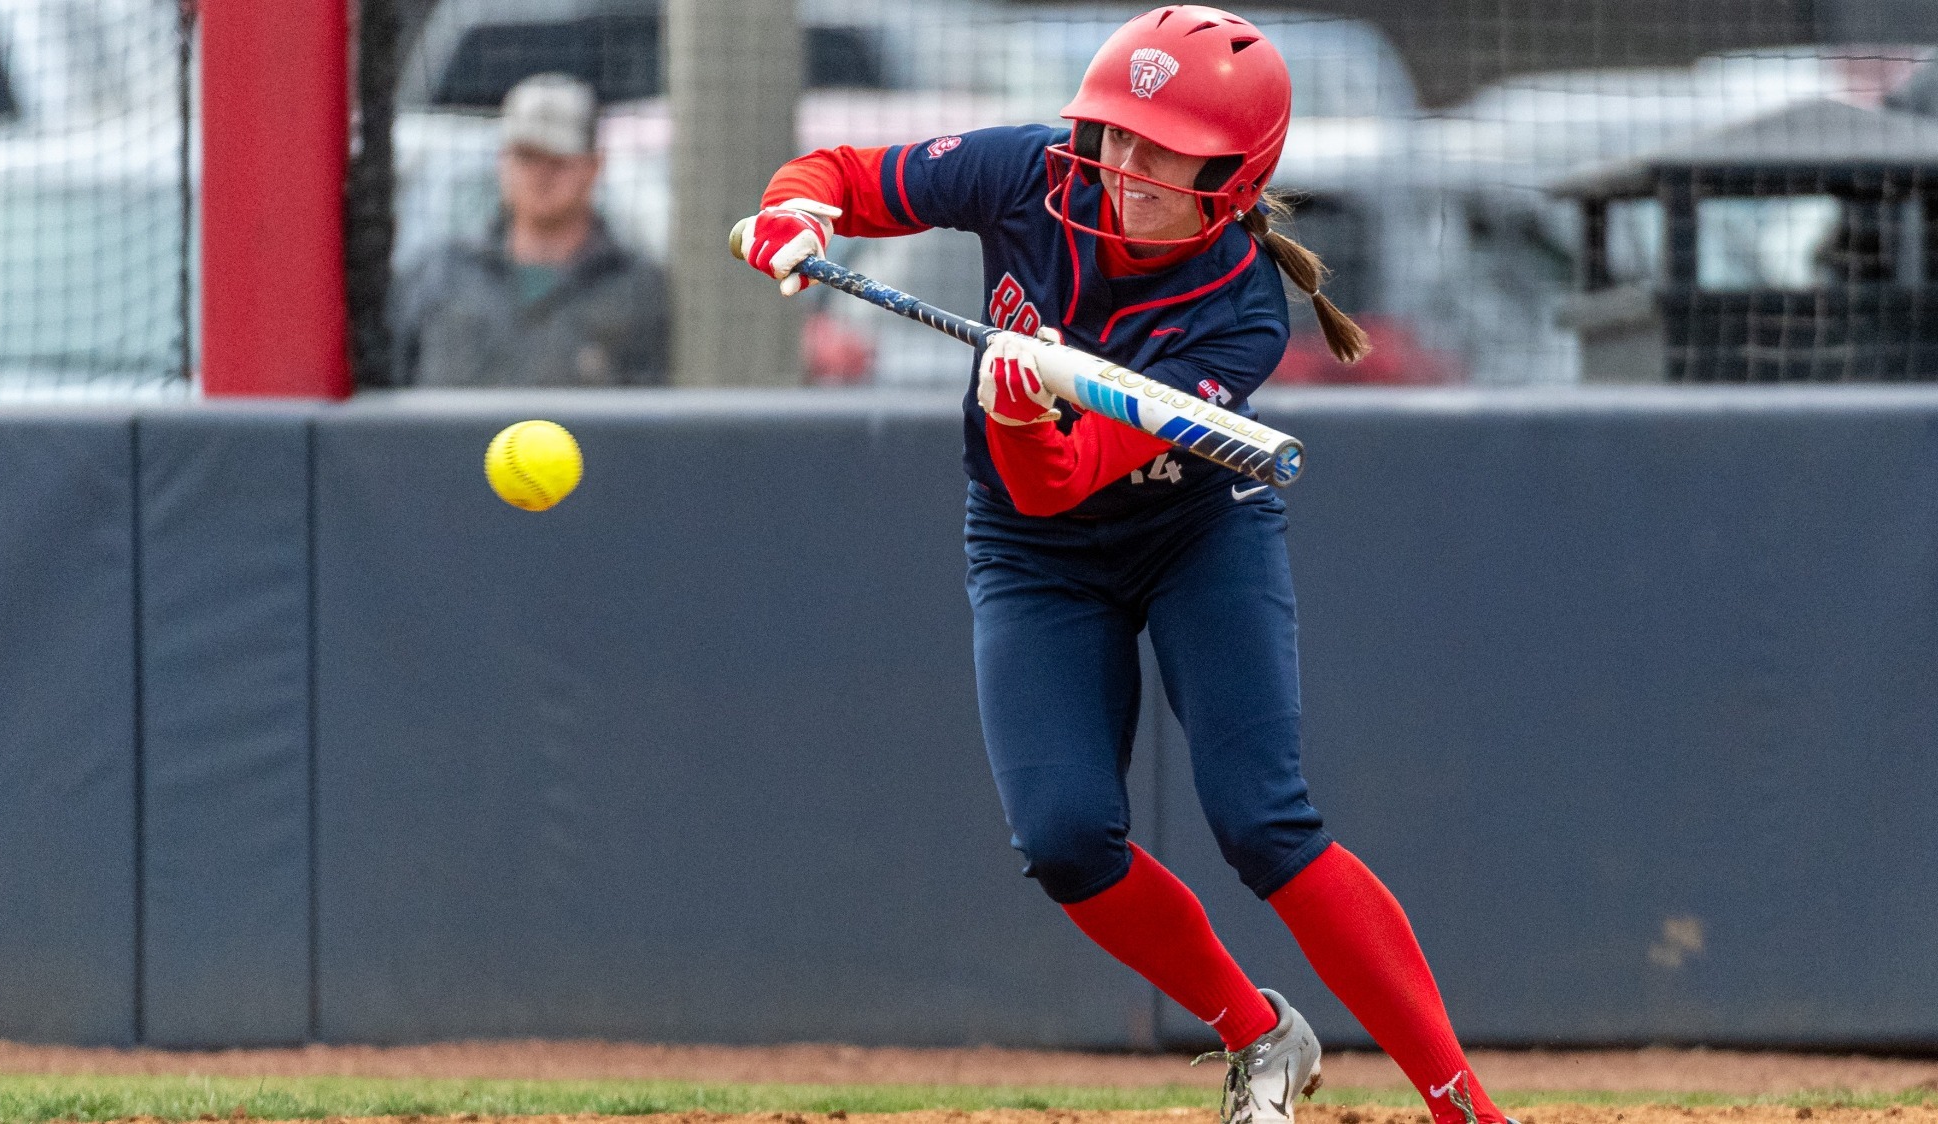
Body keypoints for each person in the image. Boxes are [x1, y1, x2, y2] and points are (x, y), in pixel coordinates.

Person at [733, 8, 1516, 1124]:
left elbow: (1072, 469)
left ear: (1231, 171)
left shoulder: (1238, 312)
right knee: (1061, 840)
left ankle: (1465, 1107)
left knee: (1263, 820)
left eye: (1159, 146)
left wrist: (1023, 412)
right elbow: (849, 174)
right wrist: (796, 208)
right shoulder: (1030, 170)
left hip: (1195, 532)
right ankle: (1258, 1031)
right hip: (1030, 546)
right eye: (1112, 133)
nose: (1121, 163)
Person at [389, 73, 667, 387]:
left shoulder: (640, 290)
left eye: (557, 159)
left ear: (594, 165)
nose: (540, 175)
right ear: (502, 160)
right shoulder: (438, 277)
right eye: (526, 157)